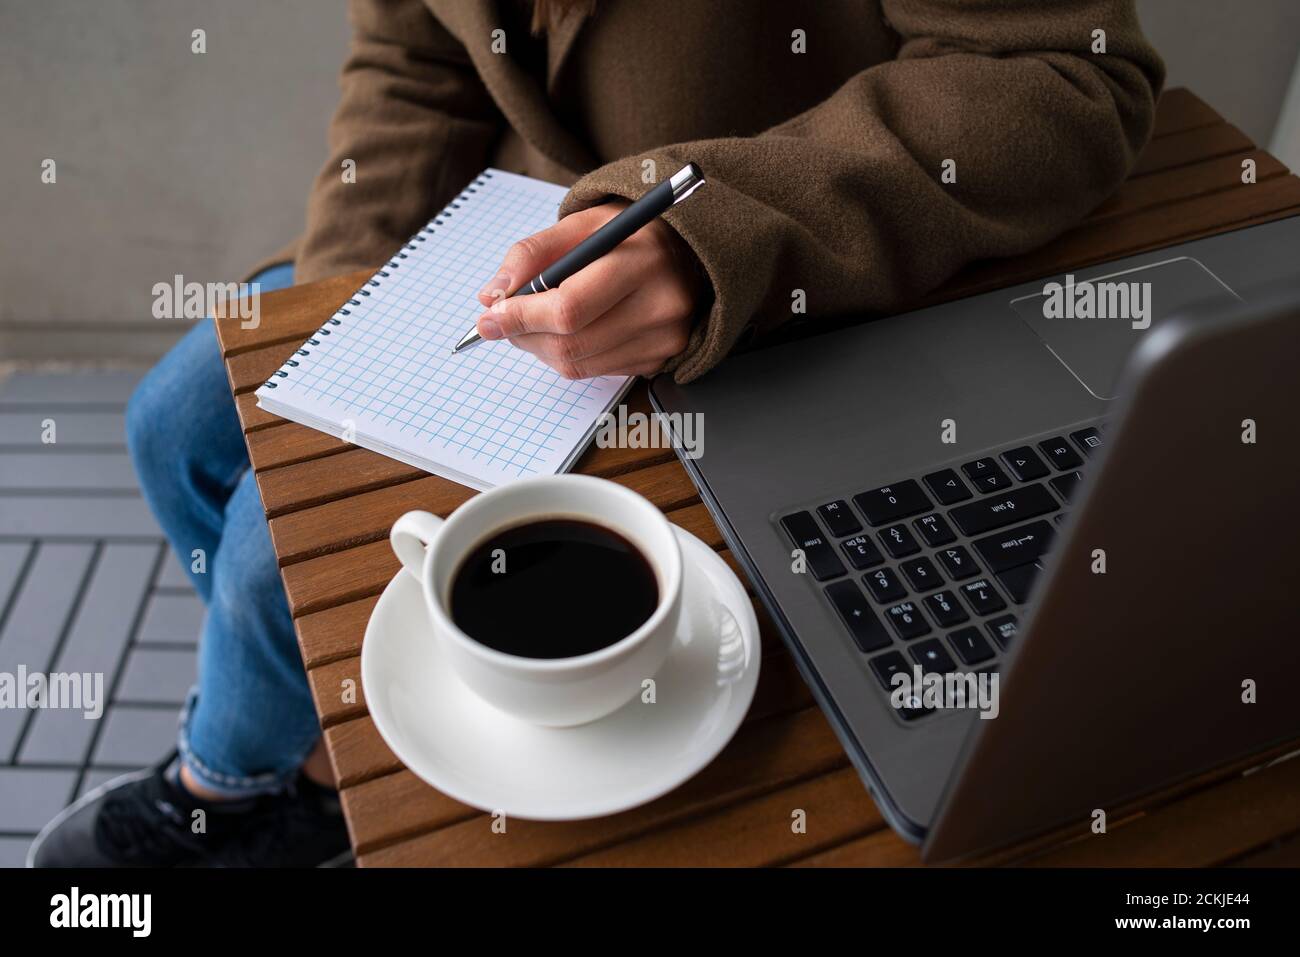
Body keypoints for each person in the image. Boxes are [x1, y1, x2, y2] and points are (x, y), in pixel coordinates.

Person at [31, 0, 1163, 867]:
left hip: (777, 281)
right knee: (171, 428)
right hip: (499, 247)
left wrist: (721, 231)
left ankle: (233, 791)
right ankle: (322, 761)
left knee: (259, 557)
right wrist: (345, 322)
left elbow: (1066, 74)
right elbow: (413, 67)